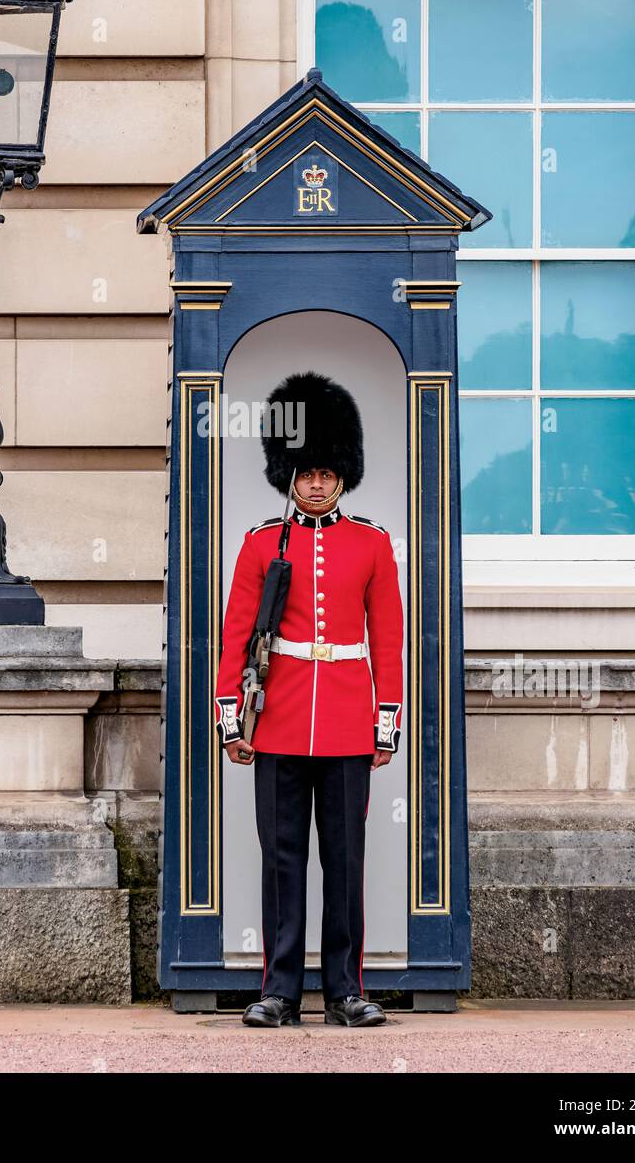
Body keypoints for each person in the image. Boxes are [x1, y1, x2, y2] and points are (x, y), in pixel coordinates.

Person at [213, 370, 405, 1027]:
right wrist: (230, 719)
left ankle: (346, 990)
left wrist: (385, 723)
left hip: (349, 723)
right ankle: (280, 990)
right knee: (282, 861)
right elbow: (235, 638)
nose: (316, 482)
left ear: (342, 474)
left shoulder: (372, 545)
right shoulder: (262, 545)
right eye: (305, 471)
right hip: (279, 723)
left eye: (326, 470)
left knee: (344, 862)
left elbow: (387, 642)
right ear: (287, 475)